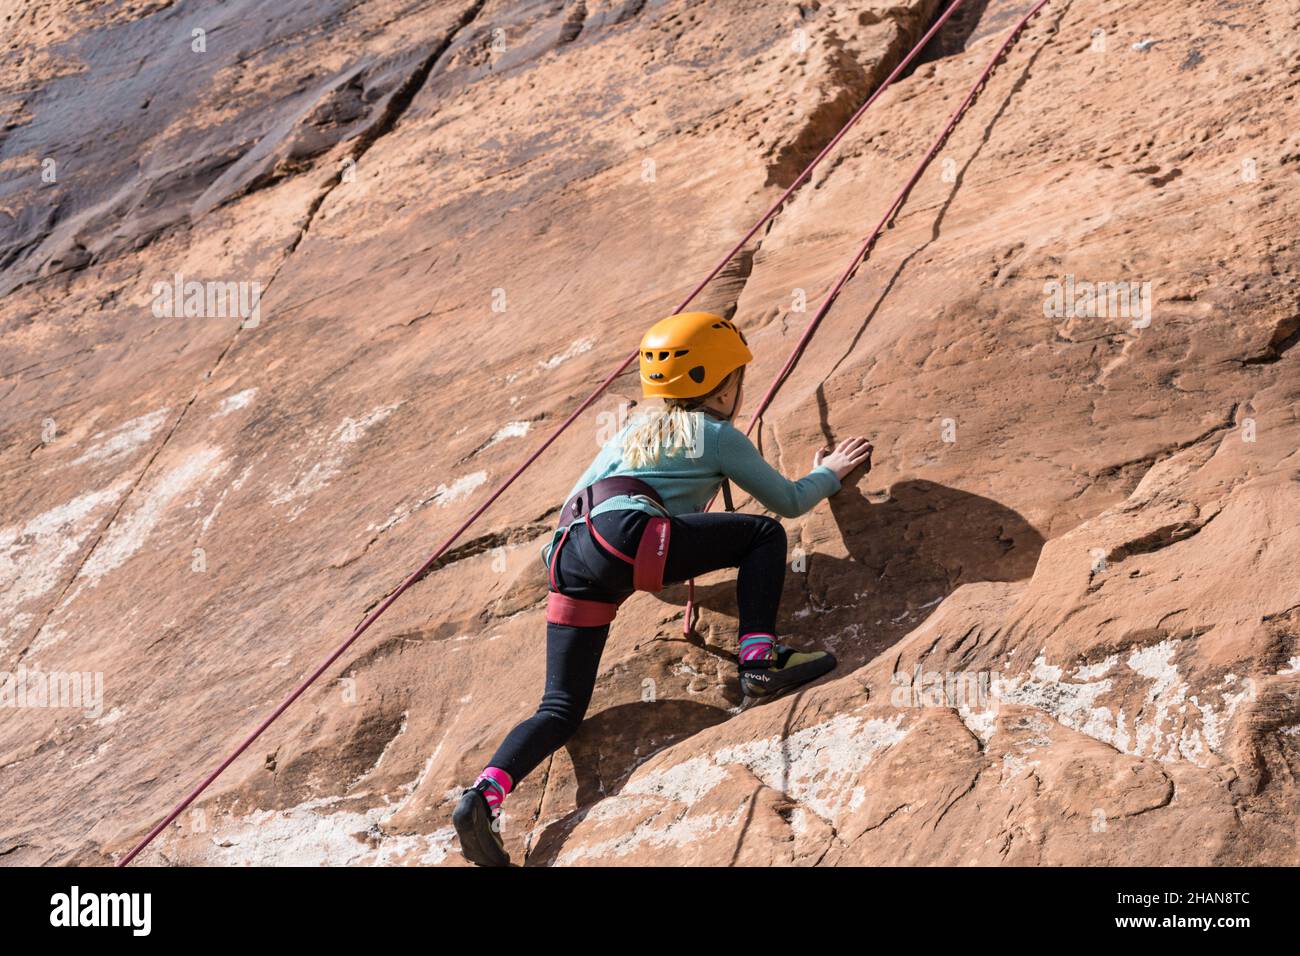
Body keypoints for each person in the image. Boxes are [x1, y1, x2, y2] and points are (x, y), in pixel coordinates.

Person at [453, 311, 873, 866]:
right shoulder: (716, 433)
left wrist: (648, 561)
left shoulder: (631, 434)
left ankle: (484, 795)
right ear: (725, 384)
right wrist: (832, 472)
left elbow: (606, 530)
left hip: (570, 557)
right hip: (631, 535)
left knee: (560, 706)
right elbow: (789, 503)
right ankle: (760, 659)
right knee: (763, 535)